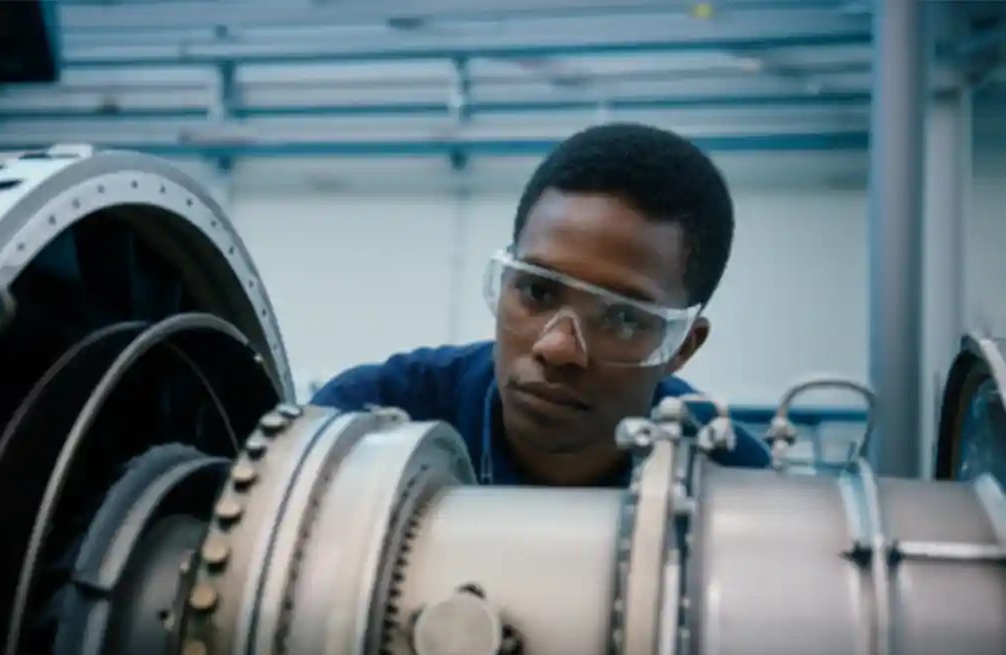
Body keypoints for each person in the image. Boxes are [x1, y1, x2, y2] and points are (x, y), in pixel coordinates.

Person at [311, 122, 770, 487]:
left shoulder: (736, 490)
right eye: (536, 292)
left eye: (624, 318)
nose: (557, 348)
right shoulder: (361, 427)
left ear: (682, 347)